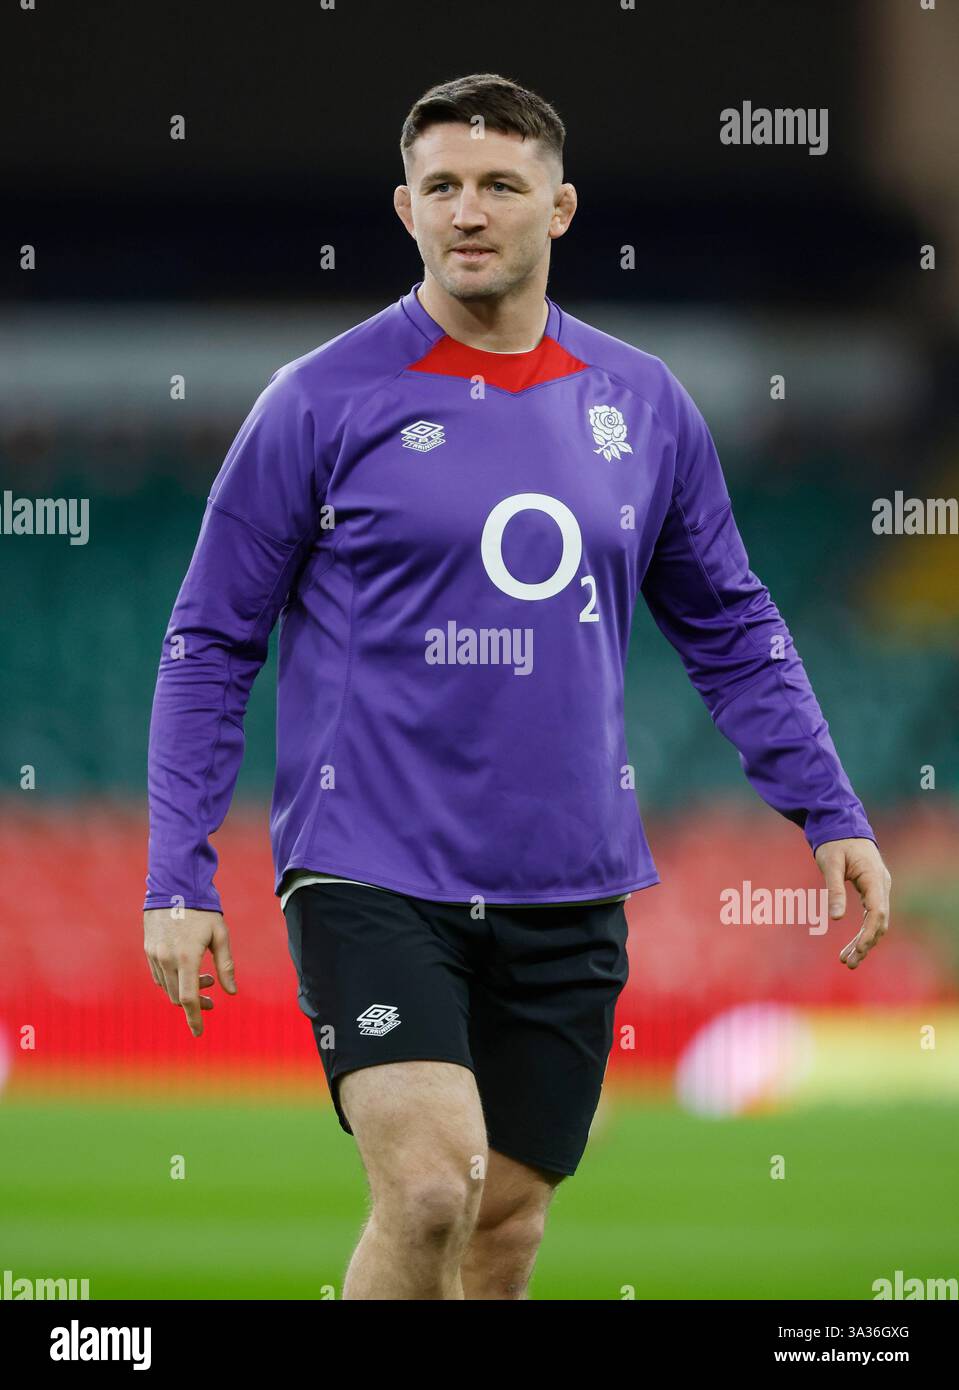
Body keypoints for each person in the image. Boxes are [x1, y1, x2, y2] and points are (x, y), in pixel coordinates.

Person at [143, 72, 892, 1299]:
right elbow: (208, 637)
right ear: (403, 208)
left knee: (503, 1226)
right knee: (432, 1185)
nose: (468, 210)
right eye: (441, 186)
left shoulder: (642, 405)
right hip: (368, 862)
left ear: (560, 207)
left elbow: (729, 622)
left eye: (500, 184)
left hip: (568, 872)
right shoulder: (318, 399)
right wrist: (179, 868)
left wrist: (828, 807)